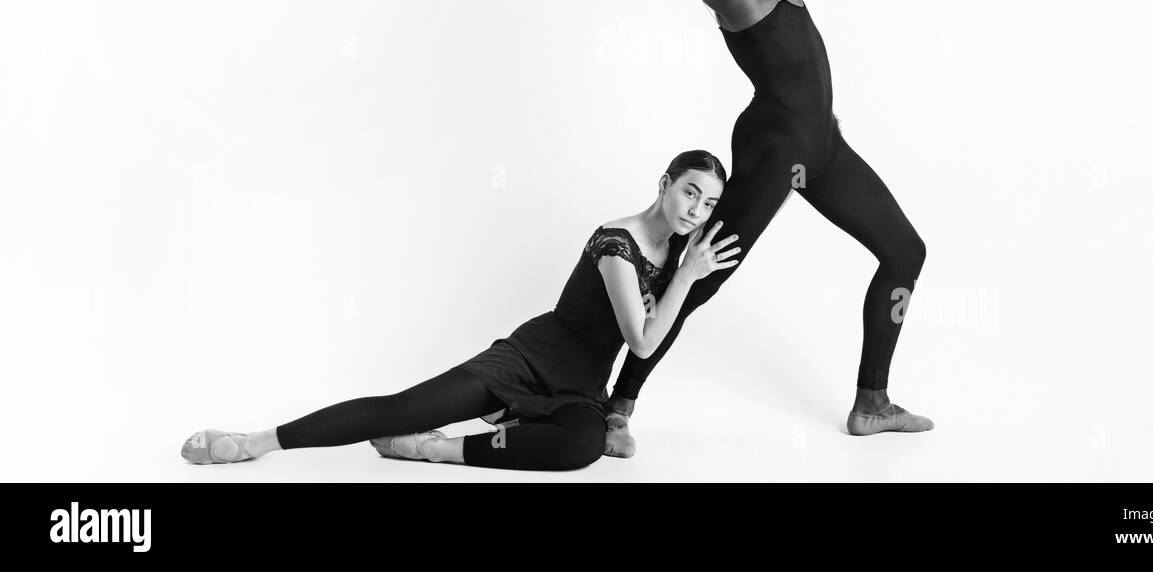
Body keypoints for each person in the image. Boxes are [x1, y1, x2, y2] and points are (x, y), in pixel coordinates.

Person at [604, 0, 932, 458]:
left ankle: (871, 403)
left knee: (905, 250)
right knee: (706, 278)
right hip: (776, 146)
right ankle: (617, 406)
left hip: (821, 143)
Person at [180, 151, 739, 471]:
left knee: (580, 447)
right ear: (665, 183)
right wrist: (687, 279)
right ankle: (253, 442)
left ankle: (438, 449)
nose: (697, 209)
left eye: (709, 202)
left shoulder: (676, 252)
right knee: (399, 408)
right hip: (526, 361)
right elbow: (642, 341)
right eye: (690, 192)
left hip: (581, 389)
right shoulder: (618, 244)